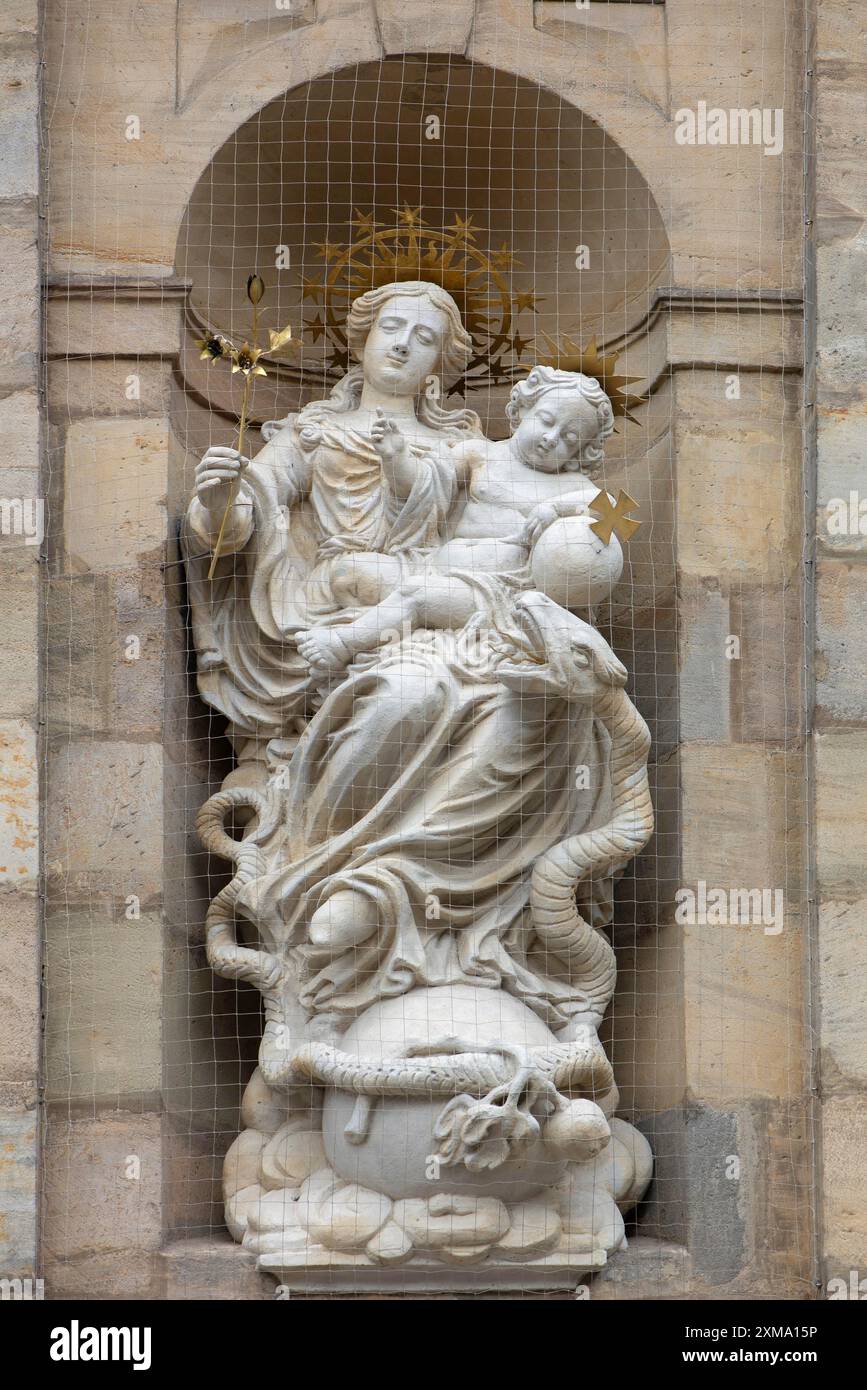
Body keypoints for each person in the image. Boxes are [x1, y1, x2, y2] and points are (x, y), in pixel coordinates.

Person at [296, 366, 616, 673]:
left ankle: (341, 643)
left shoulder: (574, 487)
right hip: (432, 565)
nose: (551, 438)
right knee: (351, 573)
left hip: (499, 596)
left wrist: (557, 510)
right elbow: (423, 485)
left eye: (570, 439)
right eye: (546, 420)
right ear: (523, 410)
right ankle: (378, 638)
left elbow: (619, 514)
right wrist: (395, 456)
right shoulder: (480, 455)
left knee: (419, 596)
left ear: (580, 453)